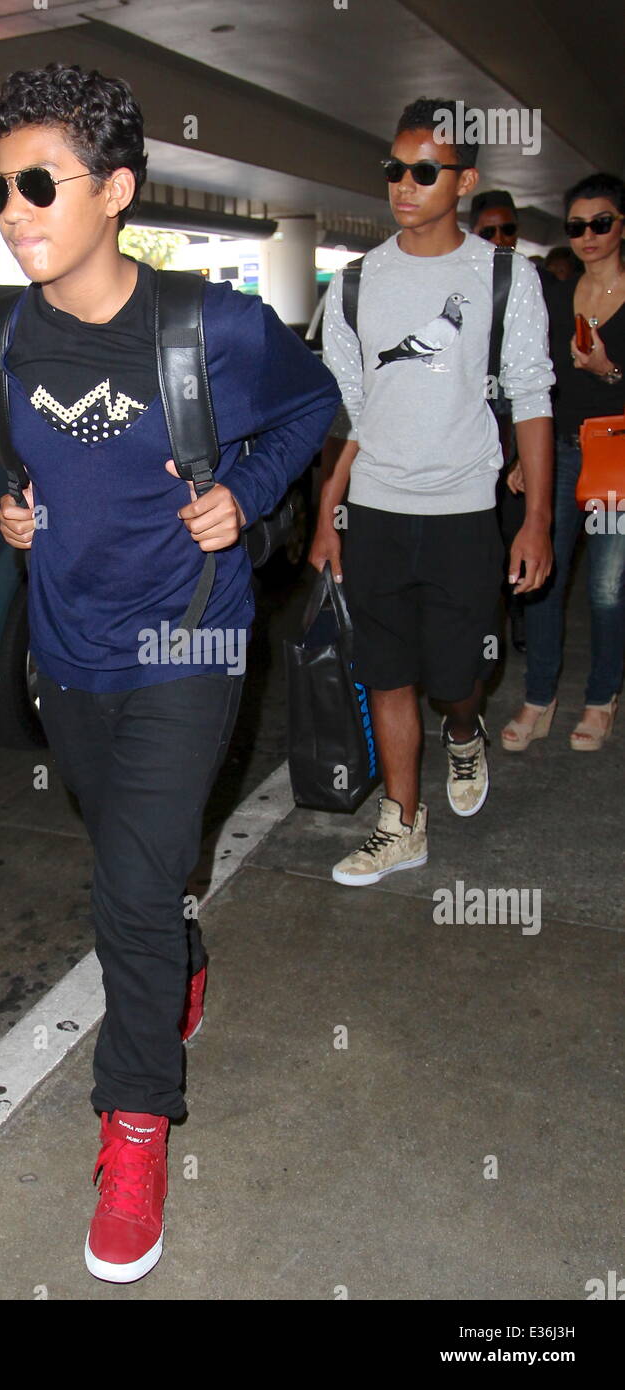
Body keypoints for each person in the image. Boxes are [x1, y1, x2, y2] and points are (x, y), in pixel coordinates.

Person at [0, 62, 340, 1283]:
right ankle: (173, 960)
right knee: (133, 868)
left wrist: (245, 494)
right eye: (0, 186)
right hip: (68, 652)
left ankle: (133, 1121)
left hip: (189, 639)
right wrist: (20, 517)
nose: (15, 209)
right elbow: (35, 473)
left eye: (40, 183)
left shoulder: (212, 327)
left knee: (129, 885)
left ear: (115, 190)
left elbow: (313, 405)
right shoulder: (2, 334)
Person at [311, 96, 554, 886]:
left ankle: (464, 728)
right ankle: (402, 823)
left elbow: (533, 395)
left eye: (424, 171)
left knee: (456, 678)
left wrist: (538, 521)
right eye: (395, 169)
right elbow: (347, 412)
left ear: (464, 181)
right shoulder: (353, 284)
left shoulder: (506, 277)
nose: (404, 185)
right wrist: (326, 513)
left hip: (462, 515)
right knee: (385, 670)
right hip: (376, 509)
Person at [502, 172, 625, 752]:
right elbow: (536, 386)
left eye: (600, 223)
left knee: (607, 587)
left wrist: (609, 372)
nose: (587, 236)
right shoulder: (555, 295)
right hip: (562, 453)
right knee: (540, 578)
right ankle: (539, 698)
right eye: (577, 226)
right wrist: (531, 455)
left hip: (617, 457)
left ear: (621, 225)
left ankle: (601, 698)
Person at [469, 189, 526, 652]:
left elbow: (539, 391)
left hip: (514, 438)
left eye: (508, 228)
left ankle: (516, 620)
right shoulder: (458, 286)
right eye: (489, 231)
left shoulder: (527, 283)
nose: (500, 238)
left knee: (514, 533)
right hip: (471, 441)